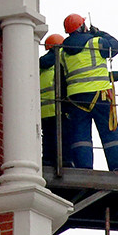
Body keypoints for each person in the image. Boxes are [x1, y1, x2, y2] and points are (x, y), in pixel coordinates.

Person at [59, 14, 118, 171]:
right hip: (100, 96)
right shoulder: (96, 42)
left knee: (81, 136)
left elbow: (77, 75)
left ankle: (83, 168)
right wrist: (99, 33)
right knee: (110, 133)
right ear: (82, 27)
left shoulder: (62, 52)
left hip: (76, 99)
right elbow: (116, 45)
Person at [39, 33, 66, 167]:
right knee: (61, 137)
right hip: (57, 108)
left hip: (44, 110)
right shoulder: (60, 57)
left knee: (49, 138)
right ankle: (62, 162)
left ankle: (48, 161)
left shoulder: (41, 63)